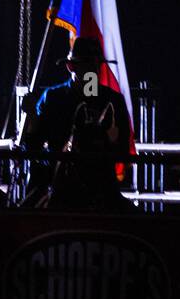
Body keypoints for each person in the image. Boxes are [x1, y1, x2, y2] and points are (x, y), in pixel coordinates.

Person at [20, 36, 132, 203]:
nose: (93, 70)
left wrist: (111, 141)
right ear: (71, 66)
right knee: (28, 209)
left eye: (96, 65)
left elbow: (123, 148)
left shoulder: (113, 100)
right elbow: (33, 145)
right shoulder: (53, 98)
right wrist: (32, 119)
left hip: (102, 183)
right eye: (87, 65)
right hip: (58, 180)